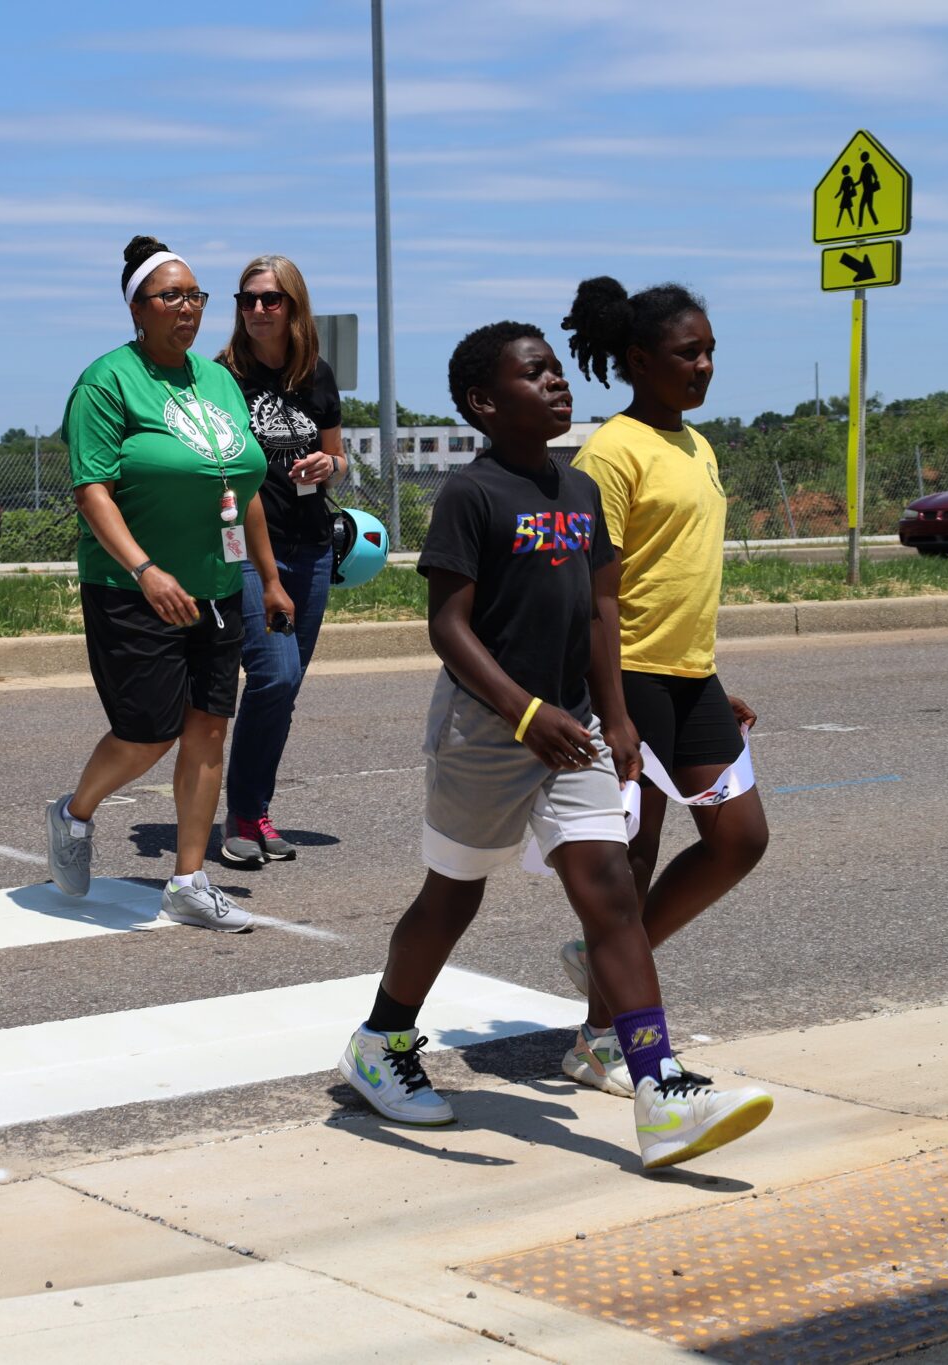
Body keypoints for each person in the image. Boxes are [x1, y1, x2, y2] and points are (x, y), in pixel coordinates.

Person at [334, 320, 771, 1170]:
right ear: (485, 403)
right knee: (452, 896)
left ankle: (661, 1088)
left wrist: (617, 717)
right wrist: (525, 714)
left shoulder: (577, 491)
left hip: (575, 726)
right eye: (534, 375)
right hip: (487, 730)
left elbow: (602, 613)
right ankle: (380, 1040)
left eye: (558, 371)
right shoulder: (471, 493)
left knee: (609, 889)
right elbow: (448, 627)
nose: (557, 384)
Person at [554, 277, 770, 1098]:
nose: (704, 365)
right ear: (639, 361)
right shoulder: (610, 452)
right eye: (689, 353)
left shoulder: (699, 446)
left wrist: (713, 675)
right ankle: (600, 1041)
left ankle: (613, 956)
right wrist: (607, 711)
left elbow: (678, 575)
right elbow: (591, 591)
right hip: (628, 681)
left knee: (739, 838)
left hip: (691, 679)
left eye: (710, 351)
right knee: (630, 864)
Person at [44, 235, 284, 932]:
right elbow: (92, 490)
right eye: (170, 297)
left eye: (195, 297)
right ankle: (75, 810)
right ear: (137, 308)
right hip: (133, 588)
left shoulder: (219, 381)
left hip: (215, 583)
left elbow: (245, 483)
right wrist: (145, 569)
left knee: (209, 727)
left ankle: (188, 878)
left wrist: (266, 576)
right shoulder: (107, 381)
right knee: (148, 731)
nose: (188, 309)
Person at [216, 255, 346, 868]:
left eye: (271, 300)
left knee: (283, 689)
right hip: (243, 550)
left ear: (294, 306)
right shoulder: (221, 377)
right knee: (275, 676)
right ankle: (241, 814)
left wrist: (330, 466)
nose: (258, 310)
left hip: (312, 545)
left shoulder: (316, 375)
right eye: (248, 300)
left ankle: (254, 809)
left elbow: (338, 457)